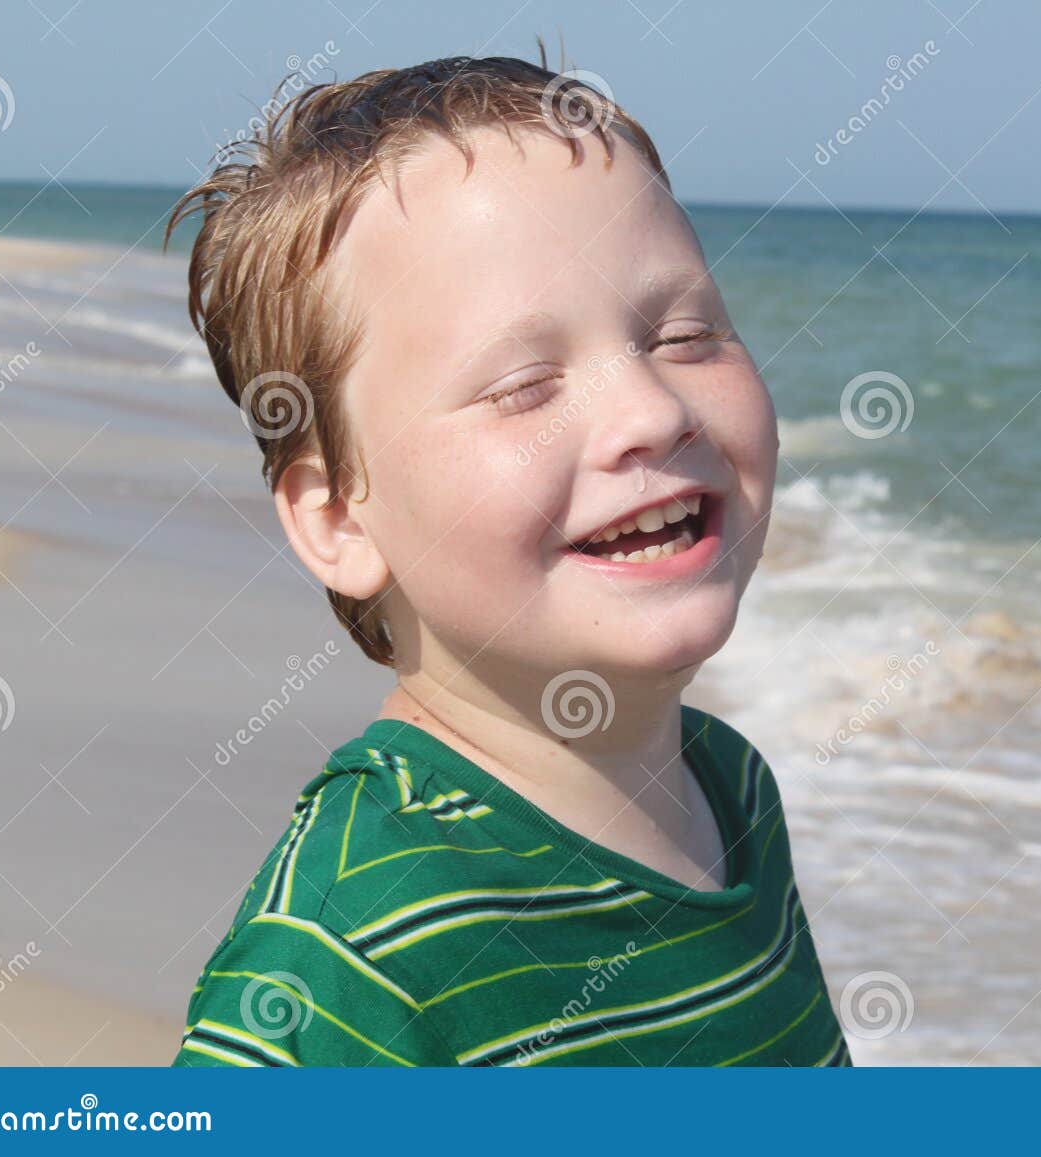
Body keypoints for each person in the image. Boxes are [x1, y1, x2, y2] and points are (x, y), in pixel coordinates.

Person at [165, 47, 851, 1067]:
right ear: (340, 518)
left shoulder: (730, 787)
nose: (651, 411)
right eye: (524, 387)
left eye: (684, 335)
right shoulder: (351, 951)